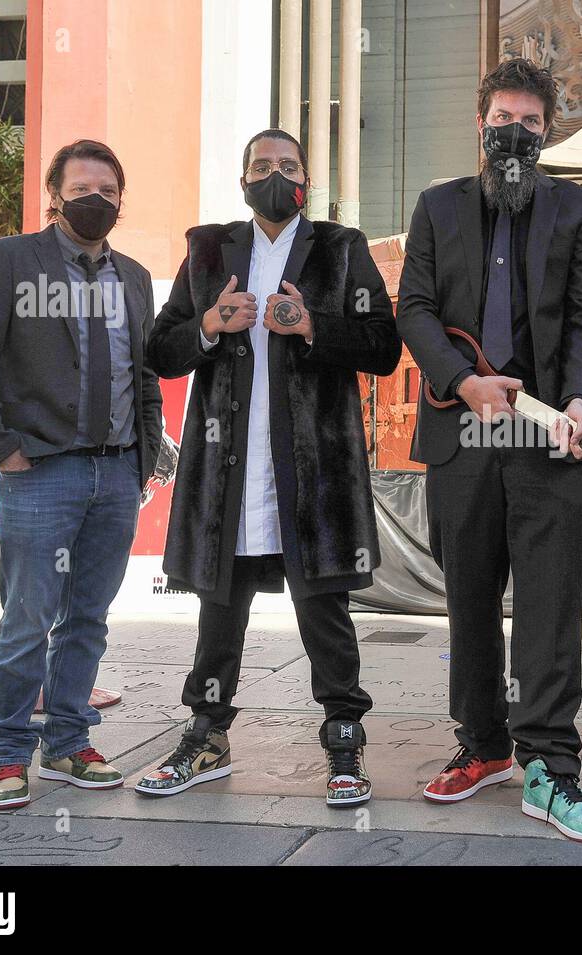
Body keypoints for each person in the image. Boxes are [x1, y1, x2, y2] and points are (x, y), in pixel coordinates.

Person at [137, 128, 400, 806]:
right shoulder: (207, 249)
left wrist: (312, 325)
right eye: (262, 165)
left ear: (307, 180)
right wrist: (210, 325)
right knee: (218, 611)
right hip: (228, 473)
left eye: (287, 166)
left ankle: (344, 737)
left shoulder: (341, 249)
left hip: (315, 476)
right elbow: (161, 350)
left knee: (325, 611)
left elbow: (382, 346)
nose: (274, 175)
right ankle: (206, 733)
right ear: (243, 179)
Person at [396, 58, 582, 842]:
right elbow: (413, 308)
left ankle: (551, 765)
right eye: (501, 120)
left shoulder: (577, 210)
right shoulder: (436, 207)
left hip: (552, 435)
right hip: (461, 433)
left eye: (528, 122)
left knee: (552, 603)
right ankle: (483, 744)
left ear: (546, 131)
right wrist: (461, 382)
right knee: (469, 601)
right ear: (479, 124)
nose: (513, 133)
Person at [0, 139, 163, 809]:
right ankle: (9, 753)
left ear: (121, 199)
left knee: (88, 620)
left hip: (116, 474)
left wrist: (144, 452)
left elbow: (146, 370)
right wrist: (2, 449)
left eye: (107, 187)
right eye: (81, 187)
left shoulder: (132, 276)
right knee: (26, 619)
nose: (94, 198)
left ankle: (71, 742)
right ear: (55, 194)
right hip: (40, 471)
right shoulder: (13, 259)